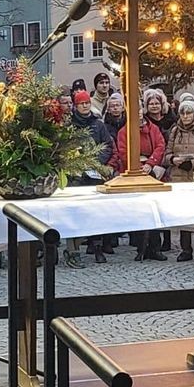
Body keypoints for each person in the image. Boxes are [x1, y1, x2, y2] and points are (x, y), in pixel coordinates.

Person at [63, 90, 115, 268]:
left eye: (87, 103)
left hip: (94, 174)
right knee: (75, 214)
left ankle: (97, 247)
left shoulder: (98, 124)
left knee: (95, 213)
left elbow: (107, 146)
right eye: (81, 103)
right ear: (76, 106)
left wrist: (95, 161)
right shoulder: (69, 125)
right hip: (75, 175)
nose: (85, 106)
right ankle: (73, 251)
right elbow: (63, 147)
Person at [110, 113, 168, 261]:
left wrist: (150, 163)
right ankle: (141, 247)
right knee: (139, 212)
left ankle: (155, 247)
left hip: (151, 171)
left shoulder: (153, 129)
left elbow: (160, 146)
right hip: (134, 173)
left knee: (154, 210)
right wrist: (137, 165)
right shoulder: (124, 131)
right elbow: (123, 151)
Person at [165, 101, 194, 261]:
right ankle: (185, 249)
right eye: (183, 113)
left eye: (189, 113)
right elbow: (167, 154)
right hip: (179, 176)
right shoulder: (175, 131)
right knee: (183, 215)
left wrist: (193, 163)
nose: (186, 116)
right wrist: (173, 159)